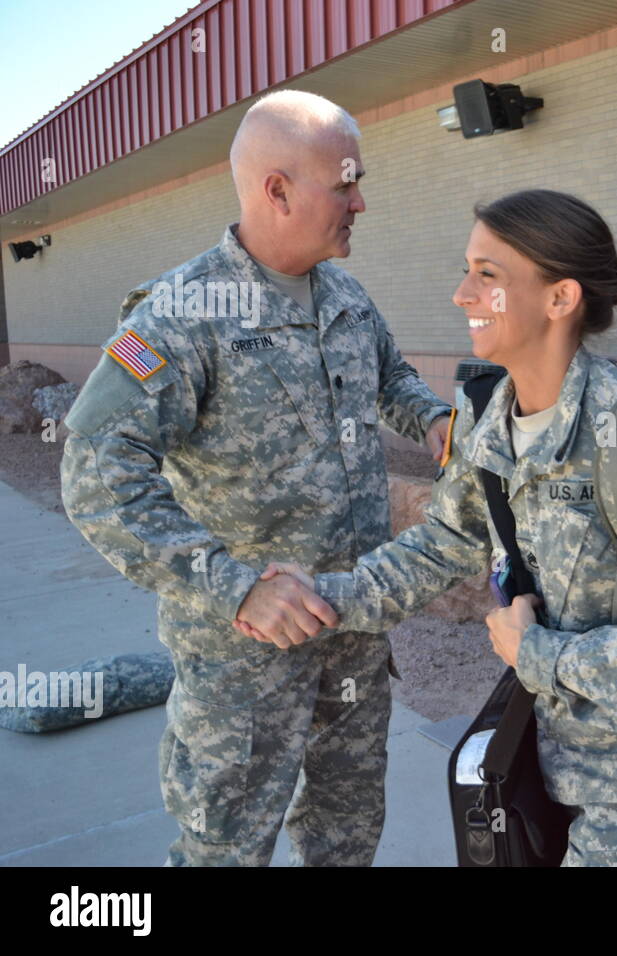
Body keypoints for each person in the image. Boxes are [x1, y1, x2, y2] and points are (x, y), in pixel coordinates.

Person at [243, 189, 617, 866]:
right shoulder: (495, 423)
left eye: (487, 275)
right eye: (467, 271)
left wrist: (536, 654)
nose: (462, 295)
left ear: (560, 298)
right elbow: (443, 541)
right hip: (547, 758)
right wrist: (324, 595)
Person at [60, 90, 453, 866]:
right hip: (243, 659)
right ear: (277, 190)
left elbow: (394, 382)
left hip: (353, 635)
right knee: (225, 849)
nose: (360, 200)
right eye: (344, 183)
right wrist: (235, 585)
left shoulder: (344, 295)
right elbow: (97, 473)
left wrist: (438, 422)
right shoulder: (181, 314)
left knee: (345, 834)